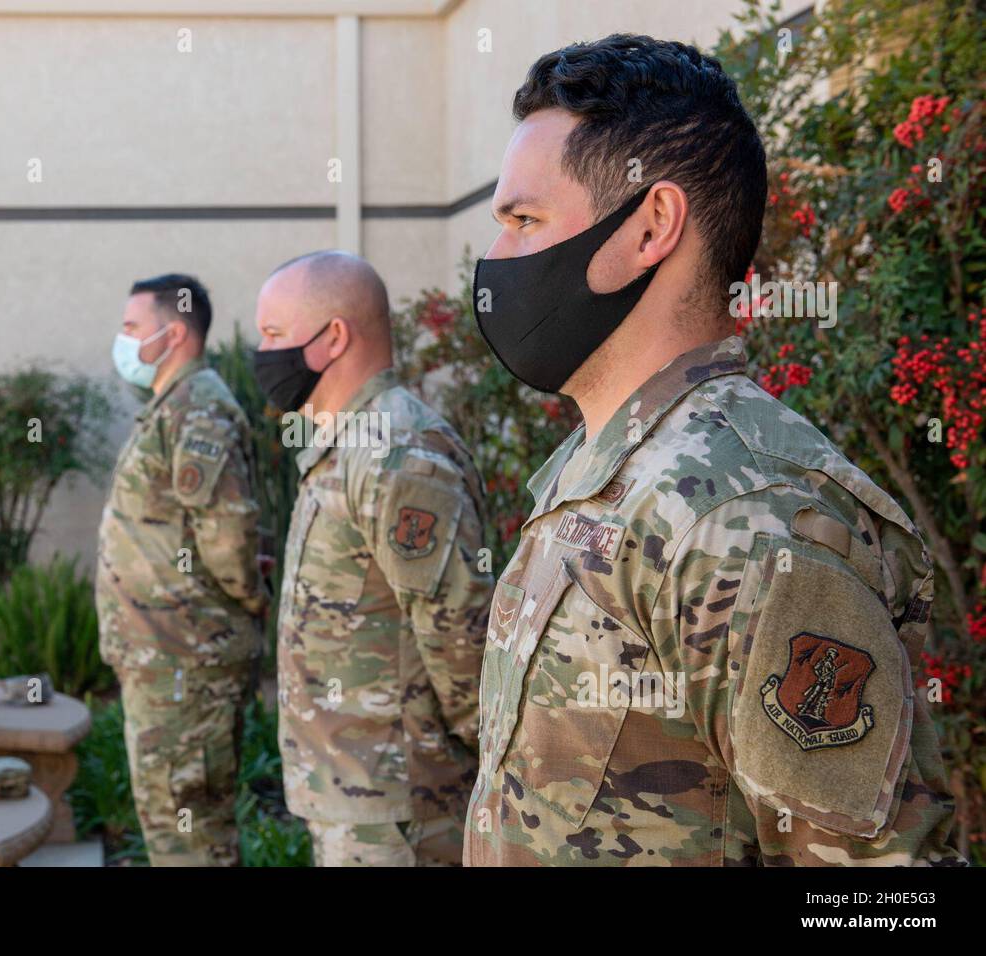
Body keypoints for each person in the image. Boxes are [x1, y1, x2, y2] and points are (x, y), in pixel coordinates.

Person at [464, 34, 962, 865]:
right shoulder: (604, 477)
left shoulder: (744, 515)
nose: (495, 260)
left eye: (523, 220)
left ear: (652, 224)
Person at [254, 250, 492, 866]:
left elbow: (458, 636)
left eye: (274, 336)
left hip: (400, 808)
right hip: (354, 796)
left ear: (332, 338)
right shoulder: (347, 443)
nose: (263, 353)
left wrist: (486, 773)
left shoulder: (397, 453)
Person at [96, 273, 268, 865]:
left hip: (188, 666)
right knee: (172, 824)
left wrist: (249, 603)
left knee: (192, 832)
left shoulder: (200, 409)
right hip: (162, 661)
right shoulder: (173, 406)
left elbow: (228, 539)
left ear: (173, 334)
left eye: (131, 328)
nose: (121, 340)